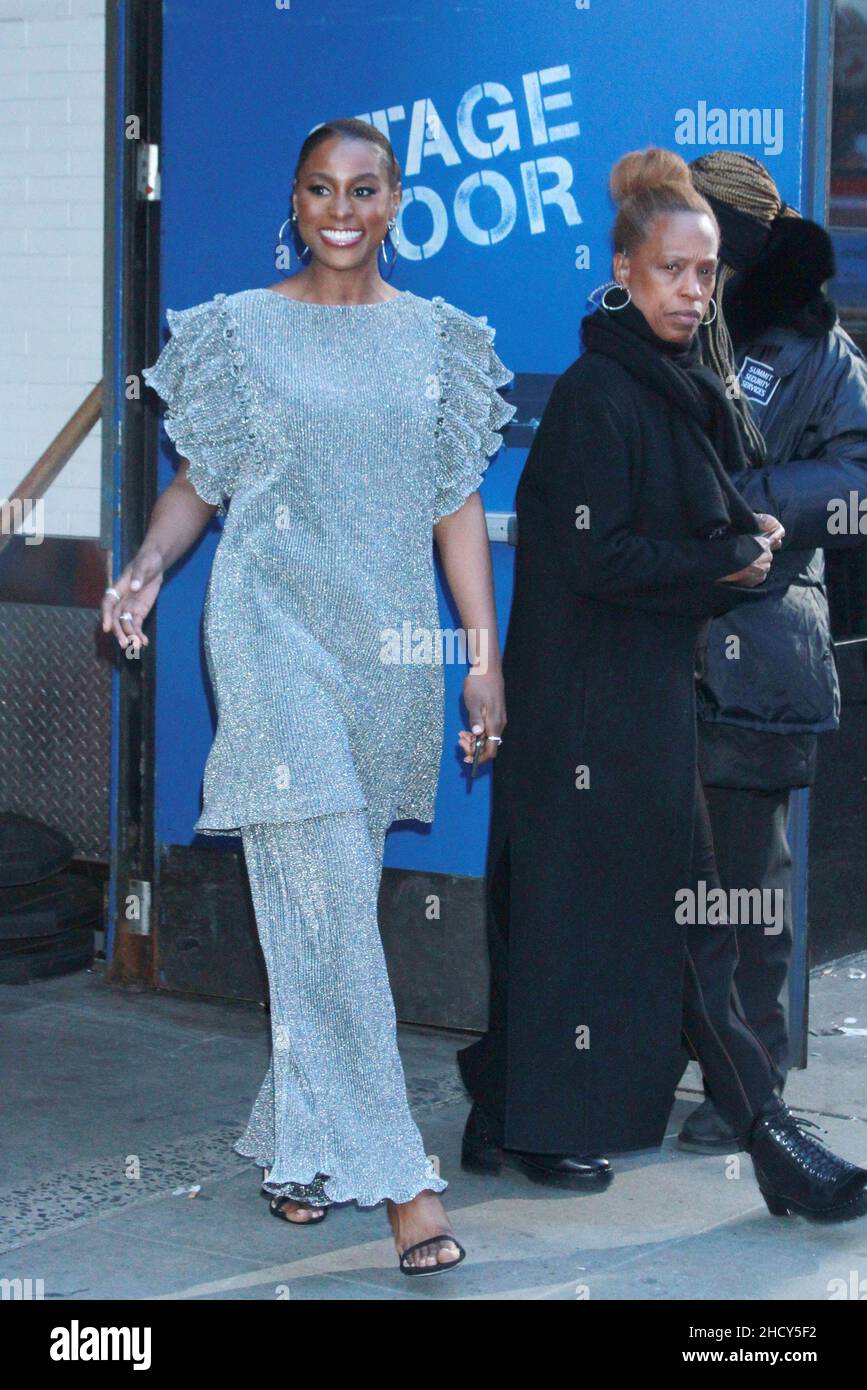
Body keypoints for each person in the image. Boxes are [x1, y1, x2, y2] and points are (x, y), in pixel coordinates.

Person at [101, 118, 515, 1276]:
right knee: (327, 896)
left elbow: (454, 505)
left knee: (320, 906)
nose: (342, 207)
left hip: (381, 650)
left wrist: (482, 654)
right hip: (268, 633)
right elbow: (201, 482)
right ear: (297, 200)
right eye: (322, 189)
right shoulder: (240, 331)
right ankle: (402, 1185)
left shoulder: (437, 341)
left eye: (365, 188)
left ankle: (299, 1148)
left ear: (395, 201)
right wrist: (145, 567)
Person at [457, 147, 867, 1224]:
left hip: (644, 704)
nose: (695, 290)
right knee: (577, 921)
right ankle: (729, 1134)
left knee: (667, 928)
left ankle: (515, 1110)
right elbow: (603, 558)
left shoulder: (683, 380)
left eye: (708, 272)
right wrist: (723, 564)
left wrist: (750, 527)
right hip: (589, 709)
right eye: (675, 270)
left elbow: (689, 513)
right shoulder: (603, 391)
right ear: (625, 270)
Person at [673, 151, 867, 1153]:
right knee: (646, 869)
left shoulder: (816, 351)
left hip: (761, 639)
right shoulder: (648, 309)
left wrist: (753, 505)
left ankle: (743, 1088)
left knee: (746, 883)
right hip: (653, 640)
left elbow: (858, 475)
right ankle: (643, 1055)